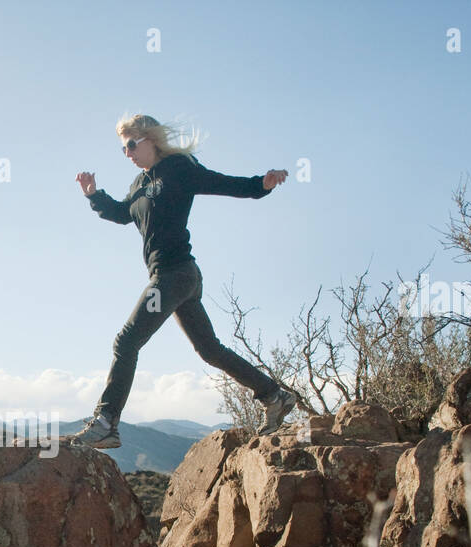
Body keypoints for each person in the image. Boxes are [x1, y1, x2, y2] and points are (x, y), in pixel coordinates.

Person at [67, 114, 300, 449]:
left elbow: (223, 183)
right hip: (178, 279)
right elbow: (123, 214)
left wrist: (261, 184)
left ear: (151, 139)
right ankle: (274, 395)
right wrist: (93, 195)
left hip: (175, 275)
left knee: (126, 341)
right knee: (209, 349)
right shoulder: (139, 184)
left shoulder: (179, 168)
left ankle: (106, 423)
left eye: (132, 144)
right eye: (123, 149)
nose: (128, 153)